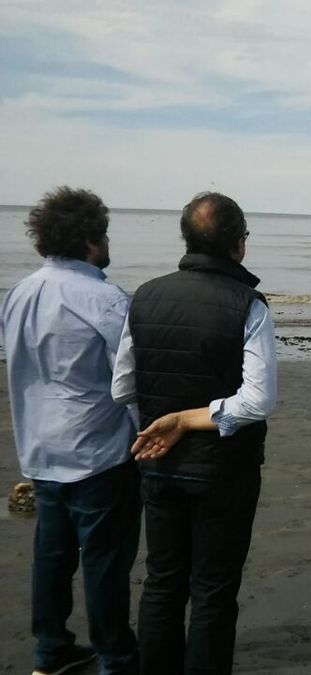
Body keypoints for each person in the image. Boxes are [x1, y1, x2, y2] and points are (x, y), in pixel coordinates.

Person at [111, 192, 277, 674]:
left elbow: (122, 386)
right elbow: (259, 400)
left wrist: (171, 412)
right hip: (224, 470)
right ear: (237, 245)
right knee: (213, 590)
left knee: (163, 582)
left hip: (158, 462)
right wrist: (187, 418)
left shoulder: (146, 295)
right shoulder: (249, 303)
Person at [1, 187, 140, 675]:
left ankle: (52, 647)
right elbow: (128, 380)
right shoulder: (104, 299)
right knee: (104, 561)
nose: (106, 241)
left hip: (40, 444)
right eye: (102, 233)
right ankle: (115, 656)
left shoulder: (18, 293)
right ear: (88, 238)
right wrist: (144, 434)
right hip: (96, 449)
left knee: (52, 555)